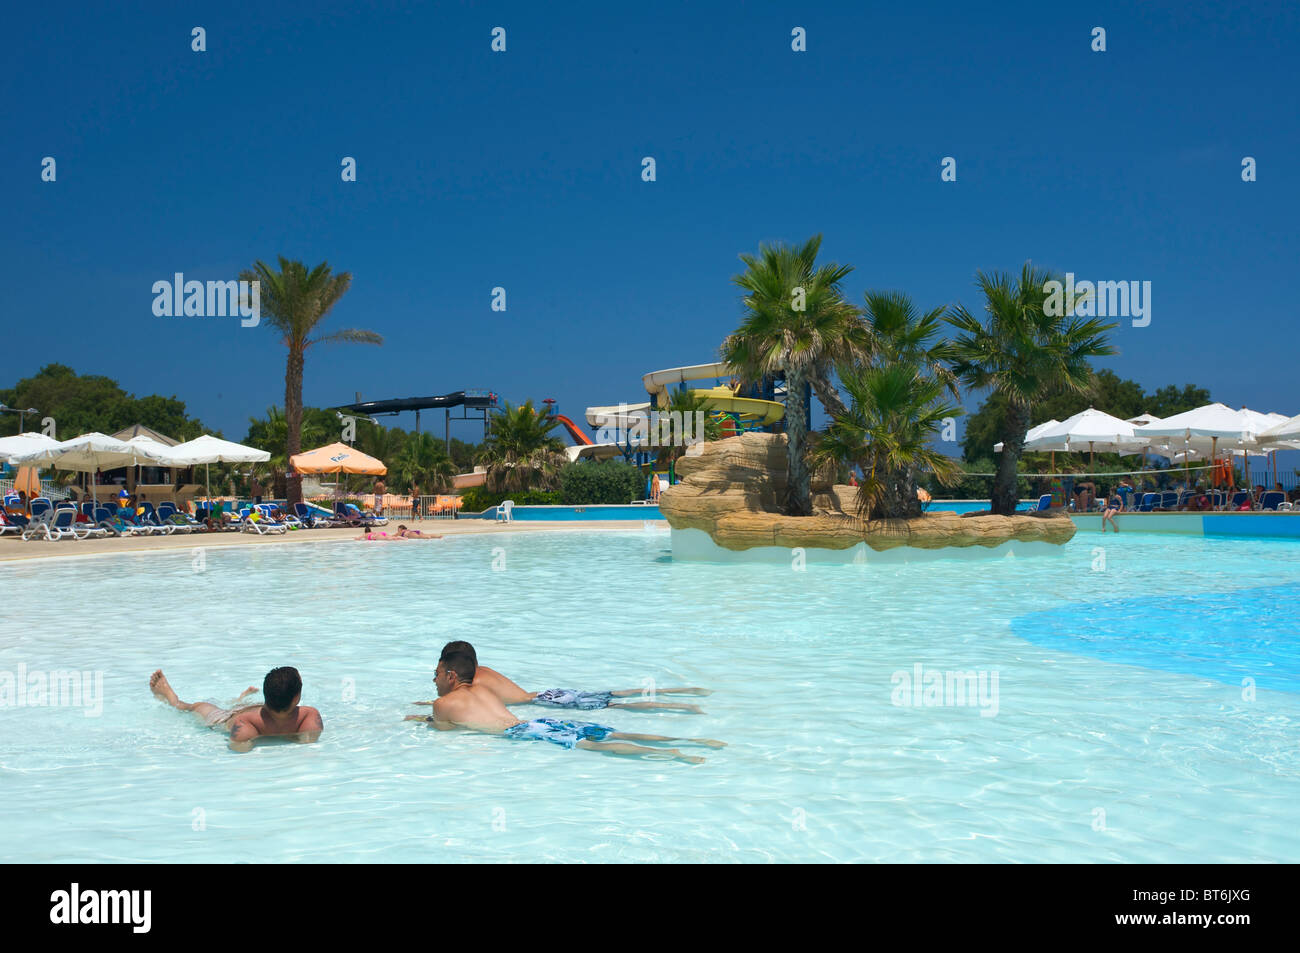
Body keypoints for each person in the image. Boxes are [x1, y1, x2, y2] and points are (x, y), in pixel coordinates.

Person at [404, 650, 722, 764]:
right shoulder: (482, 689)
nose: (433, 681)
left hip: (525, 734)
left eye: (435, 675)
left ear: (450, 674)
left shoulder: (442, 703)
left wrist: (421, 719)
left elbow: (444, 728)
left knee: (596, 747)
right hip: (541, 719)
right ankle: (685, 741)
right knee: (610, 732)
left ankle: (671, 756)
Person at [412, 641, 713, 714]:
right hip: (548, 694)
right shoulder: (482, 671)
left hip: (544, 703)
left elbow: (464, 699)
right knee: (613, 696)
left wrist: (428, 706)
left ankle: (682, 706)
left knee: (613, 705)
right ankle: (683, 693)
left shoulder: (472, 682)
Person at [150, 667, 322, 753]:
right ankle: (172, 698)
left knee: (244, 706)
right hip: (224, 719)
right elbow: (238, 749)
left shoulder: (309, 715)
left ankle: (241, 700)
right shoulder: (244, 723)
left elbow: (306, 747)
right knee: (192, 707)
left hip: (258, 710)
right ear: (296, 698)